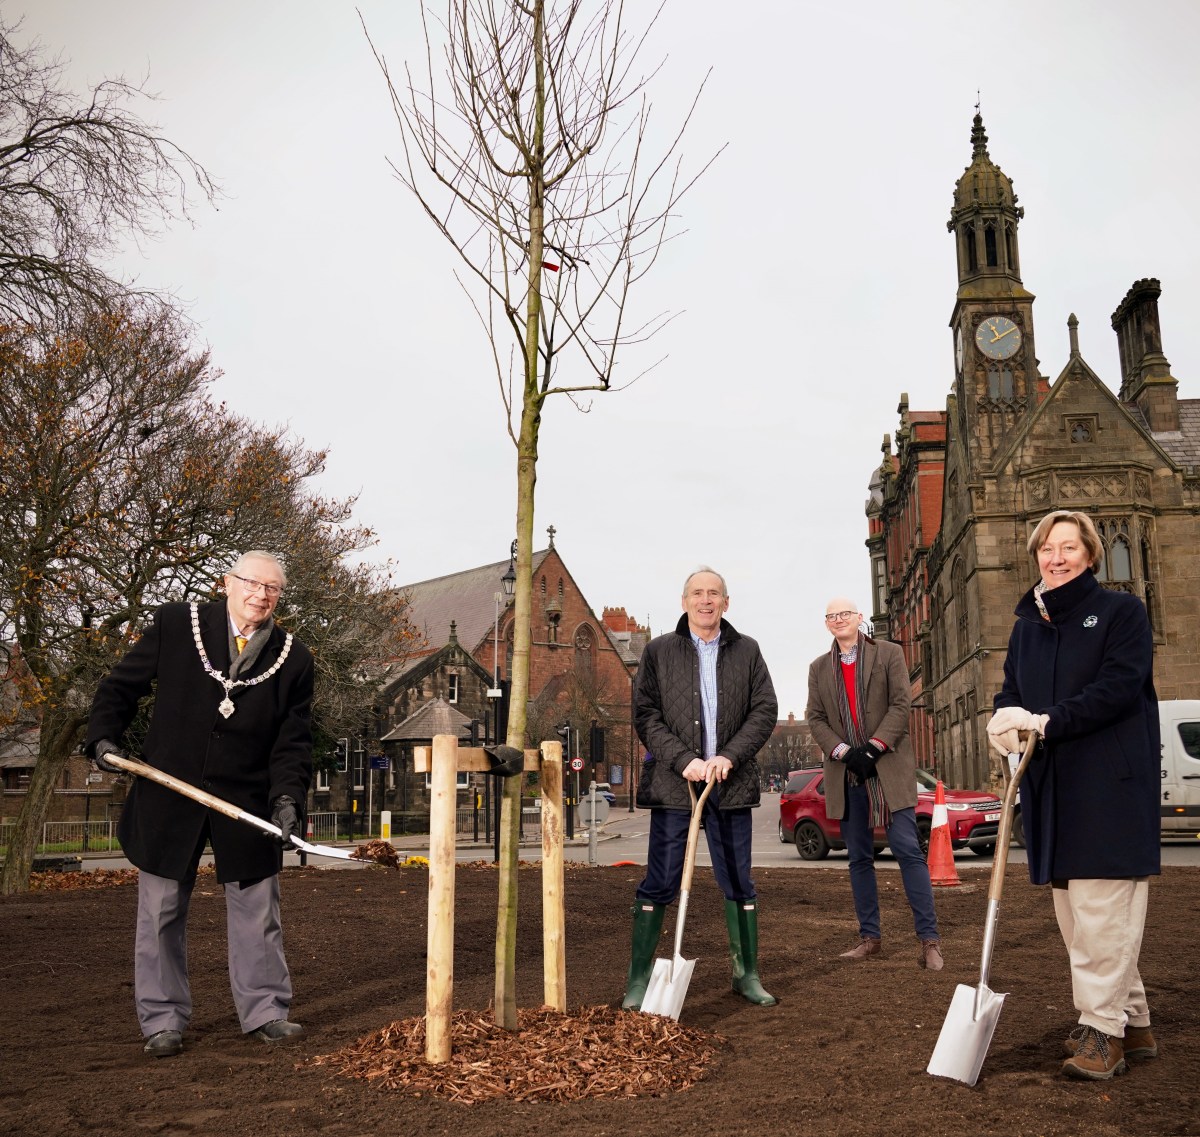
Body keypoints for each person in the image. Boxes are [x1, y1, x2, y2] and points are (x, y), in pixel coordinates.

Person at [86, 551, 314, 1058]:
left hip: (247, 801)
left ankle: (266, 1012)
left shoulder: (294, 658)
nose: (260, 595)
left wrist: (286, 799)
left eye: (272, 588)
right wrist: (103, 736)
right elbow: (121, 687)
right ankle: (162, 1021)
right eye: (251, 583)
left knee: (258, 912)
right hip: (170, 794)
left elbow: (293, 742)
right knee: (161, 911)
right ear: (227, 583)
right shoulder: (176, 624)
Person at [986, 510, 1160, 1081]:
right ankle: (1134, 1025)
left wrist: (1046, 722)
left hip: (1108, 790)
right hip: (1052, 791)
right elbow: (1011, 691)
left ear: (1090, 554)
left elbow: (1118, 688)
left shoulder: (1122, 613)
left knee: (1103, 918)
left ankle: (1103, 1031)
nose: (1055, 558)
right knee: (1081, 922)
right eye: (1046, 548)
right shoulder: (1027, 628)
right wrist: (1005, 720)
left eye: (1067, 547)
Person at [623, 567, 779, 1010]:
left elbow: (764, 709)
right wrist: (684, 761)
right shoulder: (658, 651)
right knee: (660, 880)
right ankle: (639, 980)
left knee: (739, 881)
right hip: (676, 787)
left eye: (714, 594)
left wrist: (729, 756)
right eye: (697, 593)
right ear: (684, 601)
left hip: (730, 785)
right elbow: (646, 715)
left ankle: (746, 974)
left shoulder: (747, 650)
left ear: (726, 603)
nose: (706, 600)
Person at [806, 598, 943, 970]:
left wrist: (873, 748)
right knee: (859, 858)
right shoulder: (818, 668)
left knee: (908, 851)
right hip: (847, 773)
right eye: (832, 615)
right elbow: (815, 717)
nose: (839, 619)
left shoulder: (889, 653)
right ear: (827, 623)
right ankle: (870, 938)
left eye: (845, 613)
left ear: (859, 617)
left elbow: (900, 704)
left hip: (888, 769)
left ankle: (929, 941)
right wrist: (844, 752)